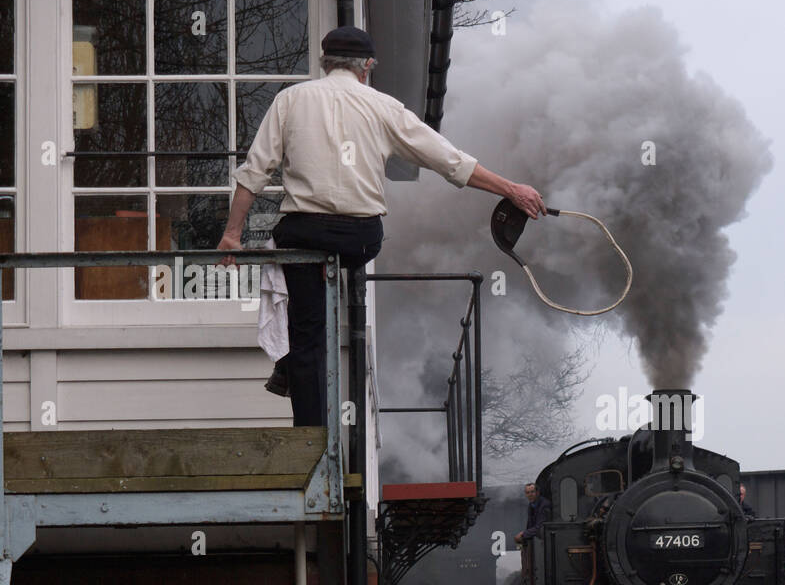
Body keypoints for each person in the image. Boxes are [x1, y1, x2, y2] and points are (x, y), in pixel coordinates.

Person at [219, 25, 545, 427]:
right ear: (367, 67)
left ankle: (309, 431)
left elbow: (254, 173)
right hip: (360, 238)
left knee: (308, 333)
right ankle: (345, 309)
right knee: (340, 286)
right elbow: (450, 161)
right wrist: (511, 189)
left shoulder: (290, 100)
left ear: (324, 62)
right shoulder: (384, 107)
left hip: (304, 232)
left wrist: (232, 234)